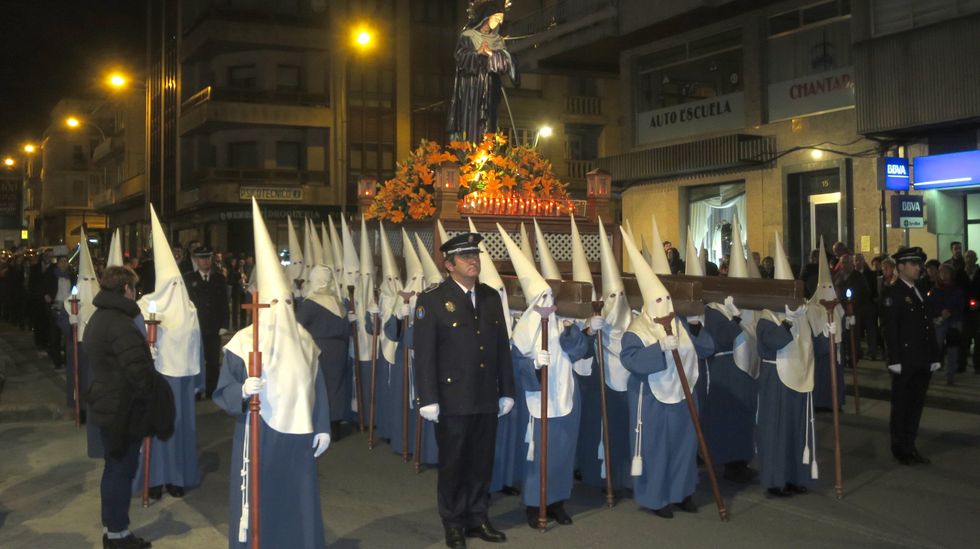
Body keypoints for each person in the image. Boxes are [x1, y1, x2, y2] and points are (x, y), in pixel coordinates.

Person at [214, 199, 331, 548]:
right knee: (259, 499)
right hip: (258, 433)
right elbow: (223, 391)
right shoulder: (241, 342)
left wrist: (323, 426)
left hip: (298, 437)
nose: (281, 311)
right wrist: (242, 390)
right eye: (273, 303)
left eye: (286, 303)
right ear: (259, 302)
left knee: (296, 499)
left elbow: (317, 384)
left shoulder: (304, 340)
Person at [413, 232, 515, 549]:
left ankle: (477, 516)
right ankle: (453, 521)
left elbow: (501, 348)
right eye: (465, 257)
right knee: (454, 463)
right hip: (452, 398)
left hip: (485, 396)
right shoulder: (431, 301)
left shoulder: (489, 297)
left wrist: (506, 389)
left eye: (476, 255)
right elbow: (425, 354)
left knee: (481, 461)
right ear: (448, 265)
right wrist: (427, 398)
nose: (474, 261)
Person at [619, 229, 715, 518]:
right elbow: (630, 359)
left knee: (685, 447)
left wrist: (696, 328)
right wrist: (659, 348)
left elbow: (705, 349)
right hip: (652, 399)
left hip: (684, 395)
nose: (665, 307)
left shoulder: (681, 323)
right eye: (658, 301)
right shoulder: (637, 330)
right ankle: (656, 498)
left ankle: (682, 492)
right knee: (657, 449)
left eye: (667, 300)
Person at [86, 265, 170, 549]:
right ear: (126, 289)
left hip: (107, 402)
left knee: (115, 468)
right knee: (120, 470)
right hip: (121, 408)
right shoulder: (120, 322)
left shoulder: (100, 317)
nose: (136, 294)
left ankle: (116, 531)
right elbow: (137, 372)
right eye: (134, 288)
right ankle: (116, 535)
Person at [134, 207, 203, 500]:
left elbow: (197, 344)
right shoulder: (146, 306)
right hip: (159, 379)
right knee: (158, 429)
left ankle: (177, 477)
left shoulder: (189, 309)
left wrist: (200, 379)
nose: (175, 289)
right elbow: (136, 341)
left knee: (180, 431)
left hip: (184, 380)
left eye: (179, 284)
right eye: (169, 284)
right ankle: (153, 478)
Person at [883, 247, 941, 465]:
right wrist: (894, 359)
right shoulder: (894, 293)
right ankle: (900, 448)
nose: (919, 268)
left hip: (922, 359)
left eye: (919, 264)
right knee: (902, 406)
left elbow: (927, 326)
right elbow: (891, 330)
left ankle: (910, 444)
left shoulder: (919, 290)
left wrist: (934, 355)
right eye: (914, 264)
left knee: (916, 405)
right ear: (900, 267)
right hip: (905, 360)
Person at [447, 1, 513, 143]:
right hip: (471, 85)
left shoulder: (498, 40)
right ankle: (468, 150)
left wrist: (490, 53)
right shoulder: (468, 36)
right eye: (496, 18)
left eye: (501, 19)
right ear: (486, 16)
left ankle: (486, 150)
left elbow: (506, 63)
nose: (499, 22)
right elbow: (460, 57)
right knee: (471, 116)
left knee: (489, 120)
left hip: (490, 85)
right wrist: (477, 52)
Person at [184, 246, 228, 399]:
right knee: (195, 359)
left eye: (208, 258)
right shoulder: (189, 279)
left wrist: (224, 324)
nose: (205, 261)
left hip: (214, 326)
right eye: (202, 258)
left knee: (213, 361)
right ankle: (196, 390)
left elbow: (224, 303)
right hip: (196, 326)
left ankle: (211, 390)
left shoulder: (219, 278)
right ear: (196, 260)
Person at [927, 264, 964, 385]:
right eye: (941, 273)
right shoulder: (935, 290)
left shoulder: (957, 290)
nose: (943, 275)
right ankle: (930, 372)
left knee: (953, 349)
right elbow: (930, 307)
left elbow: (961, 306)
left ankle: (950, 375)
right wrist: (939, 312)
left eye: (946, 272)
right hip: (939, 322)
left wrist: (950, 312)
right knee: (935, 347)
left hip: (954, 322)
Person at [958, 250, 980, 373]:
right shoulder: (960, 274)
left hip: (978, 311)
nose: (969, 259)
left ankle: (978, 365)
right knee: (964, 339)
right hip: (964, 311)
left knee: (979, 339)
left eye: (972, 257)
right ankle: (962, 365)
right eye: (967, 257)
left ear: (976, 259)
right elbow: (957, 293)